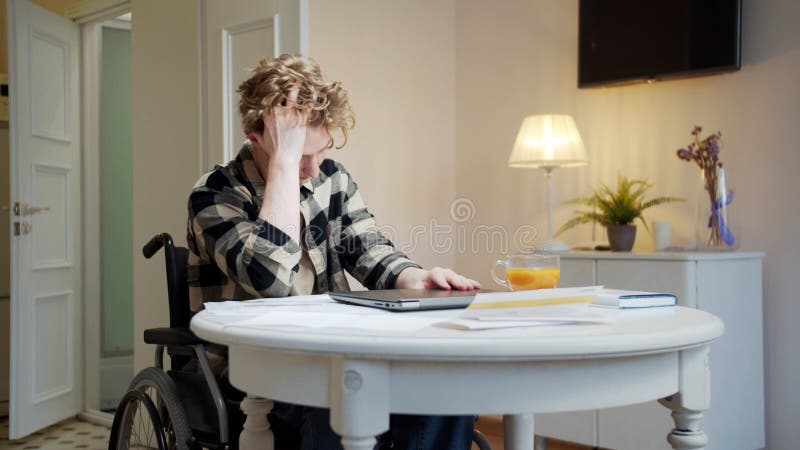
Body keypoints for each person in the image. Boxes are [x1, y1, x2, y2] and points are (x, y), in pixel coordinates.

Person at [186, 54, 481, 450]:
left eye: (319, 151)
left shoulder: (333, 179)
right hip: (256, 371)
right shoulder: (215, 193)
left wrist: (416, 277)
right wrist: (284, 167)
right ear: (256, 139)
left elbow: (368, 248)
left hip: (334, 358)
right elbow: (269, 282)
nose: (312, 168)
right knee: (339, 400)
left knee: (442, 391)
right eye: (297, 154)